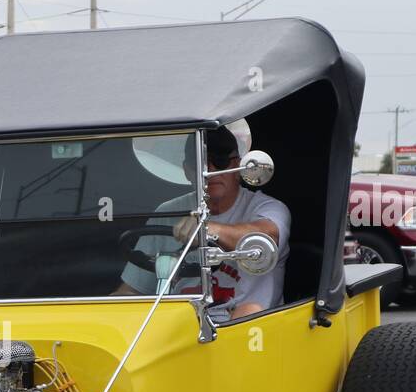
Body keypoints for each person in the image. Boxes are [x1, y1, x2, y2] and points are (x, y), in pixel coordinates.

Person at [116, 125, 290, 322]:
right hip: (178, 326)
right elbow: (132, 290)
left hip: (247, 330)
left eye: (221, 162)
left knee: (250, 309)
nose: (212, 171)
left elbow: (266, 237)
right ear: (187, 170)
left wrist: (206, 230)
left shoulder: (268, 208)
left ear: (237, 167)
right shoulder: (167, 212)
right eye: (201, 165)